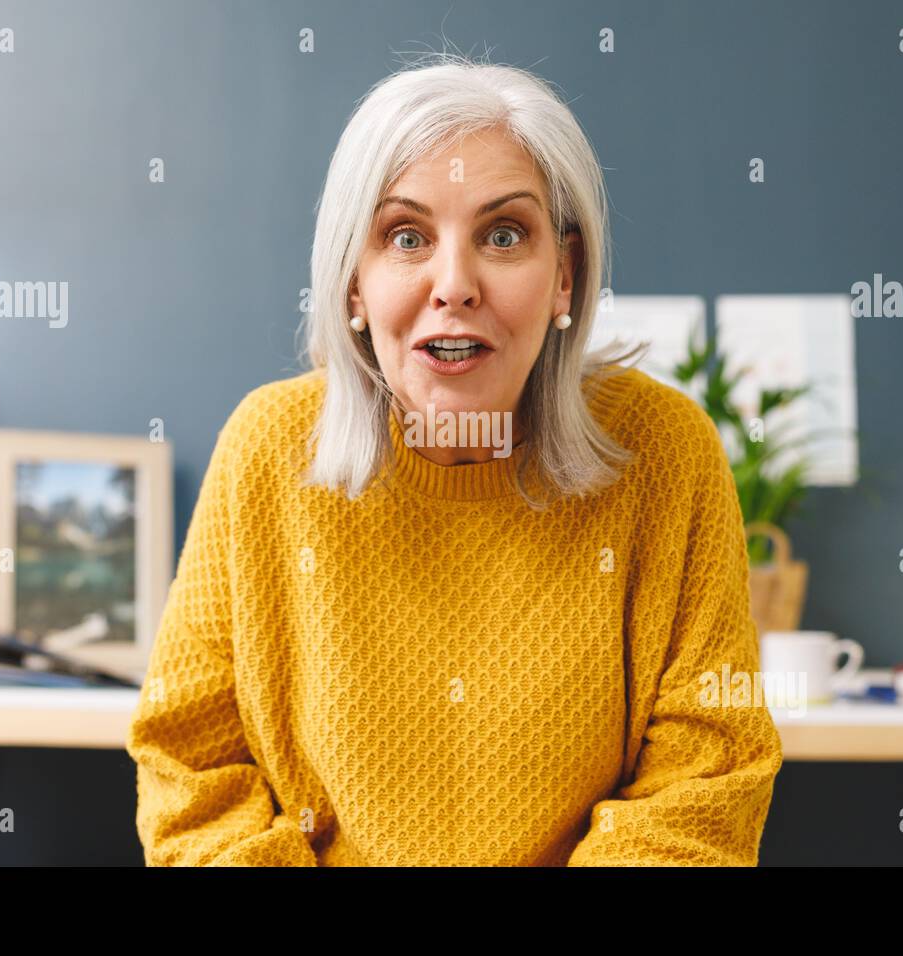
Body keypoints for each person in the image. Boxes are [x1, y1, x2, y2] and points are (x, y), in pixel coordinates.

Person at [125, 52, 783, 866]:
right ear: (354, 286)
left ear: (566, 277)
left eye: (503, 235)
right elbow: (191, 768)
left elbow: (705, 786)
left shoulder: (665, 453)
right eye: (406, 236)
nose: (455, 283)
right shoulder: (266, 448)